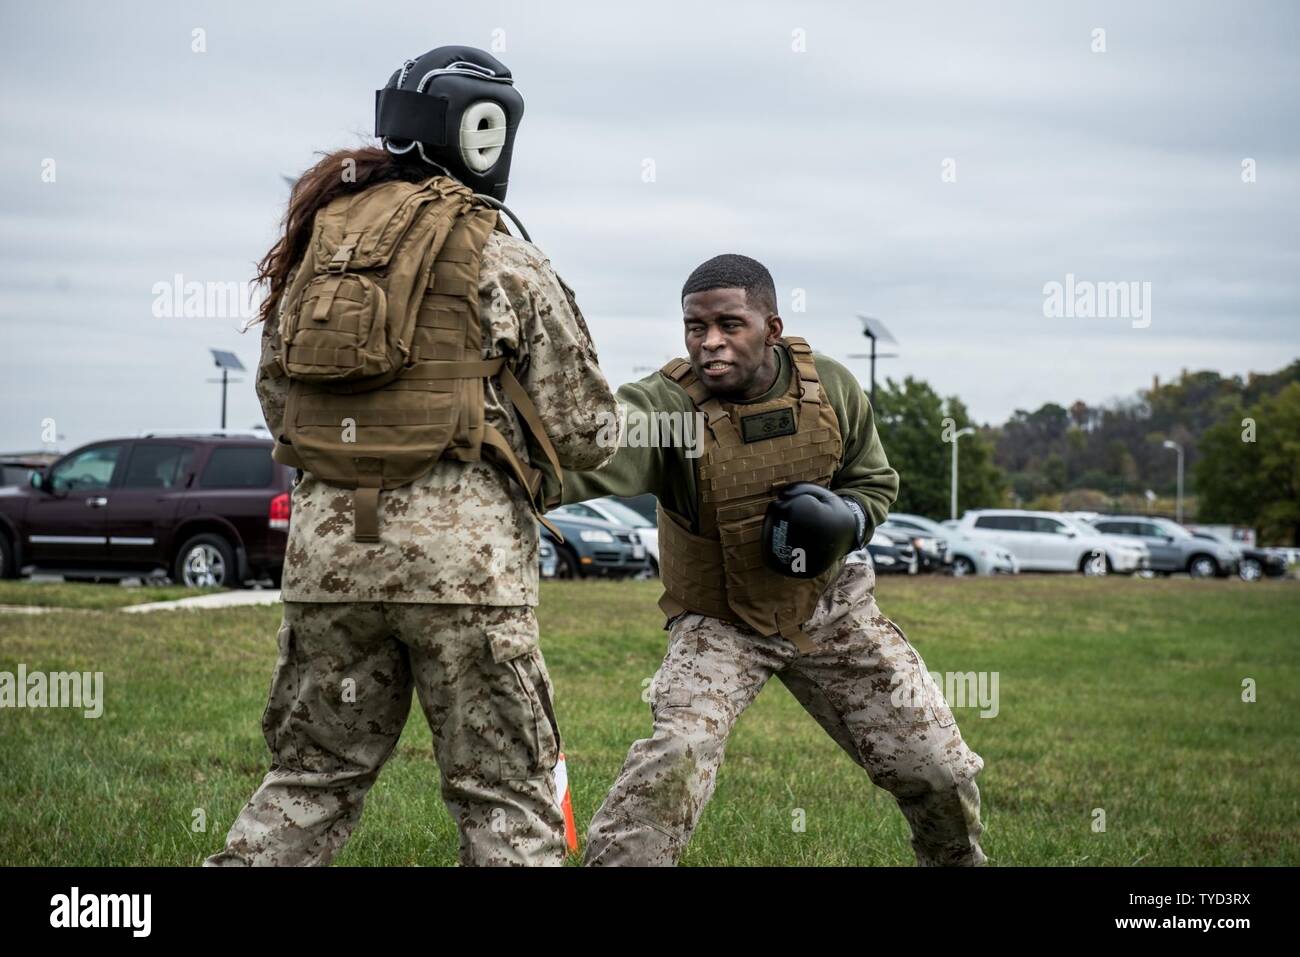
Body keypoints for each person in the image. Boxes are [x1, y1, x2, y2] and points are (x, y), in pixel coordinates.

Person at [205, 45, 618, 867]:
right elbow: (588, 432)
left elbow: (278, 403)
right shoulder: (504, 254)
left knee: (308, 781)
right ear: (486, 134)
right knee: (506, 799)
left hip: (329, 561)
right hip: (465, 577)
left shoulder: (318, 248)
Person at [564, 253, 987, 866]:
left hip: (832, 607)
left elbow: (875, 481)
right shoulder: (671, 410)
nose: (710, 343)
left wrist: (848, 520)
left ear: (772, 328)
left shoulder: (831, 388)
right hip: (721, 620)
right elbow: (592, 446)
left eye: (730, 325)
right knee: (678, 753)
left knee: (939, 769)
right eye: (695, 328)